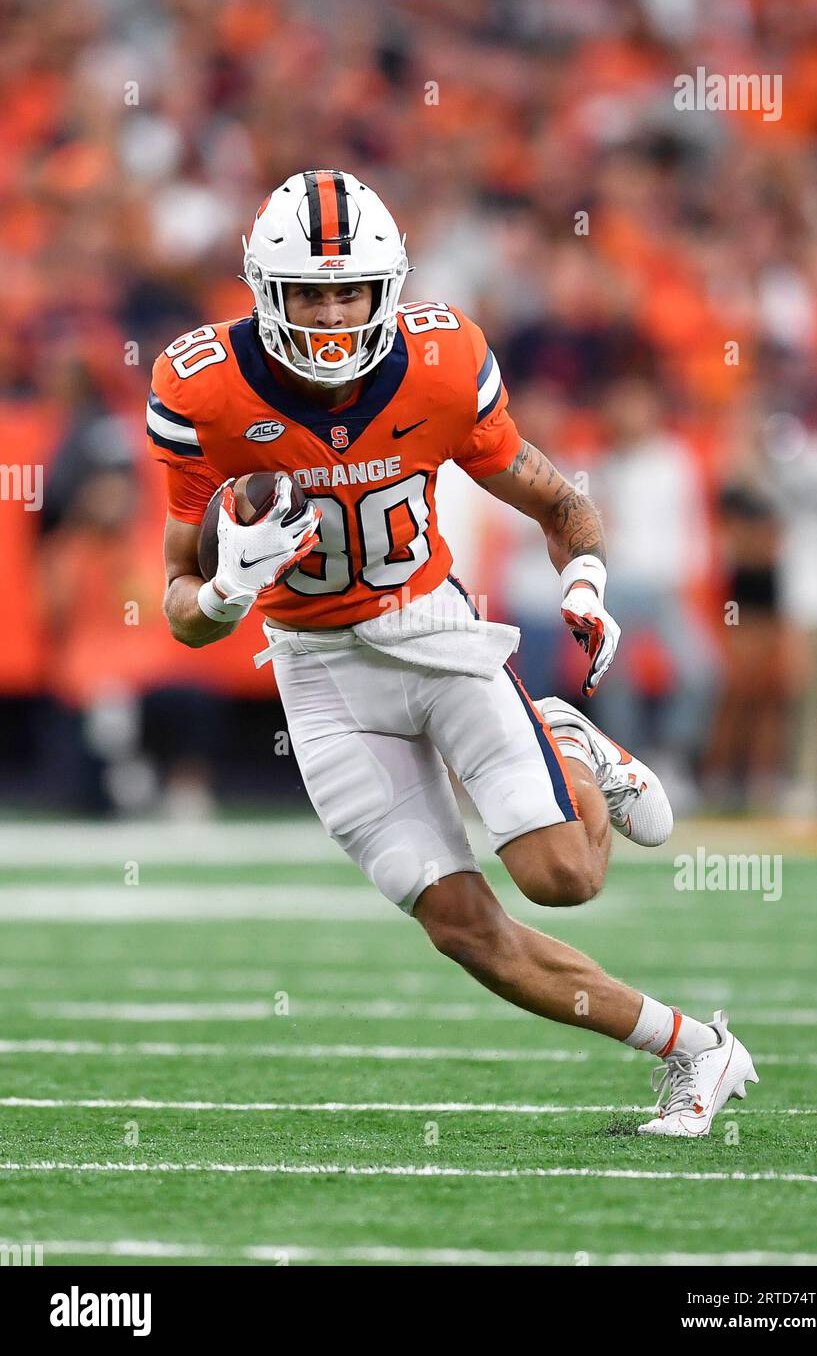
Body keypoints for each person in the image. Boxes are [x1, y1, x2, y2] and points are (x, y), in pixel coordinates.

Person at [147, 169, 757, 1136]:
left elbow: (561, 504)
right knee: (462, 930)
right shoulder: (202, 389)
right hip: (316, 669)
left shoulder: (439, 362)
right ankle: (696, 1050)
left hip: (433, 630)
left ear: (388, 285)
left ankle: (569, 742)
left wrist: (585, 585)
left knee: (567, 877)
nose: (334, 312)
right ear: (267, 291)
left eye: (350, 288)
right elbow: (179, 604)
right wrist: (227, 590)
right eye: (311, 290)